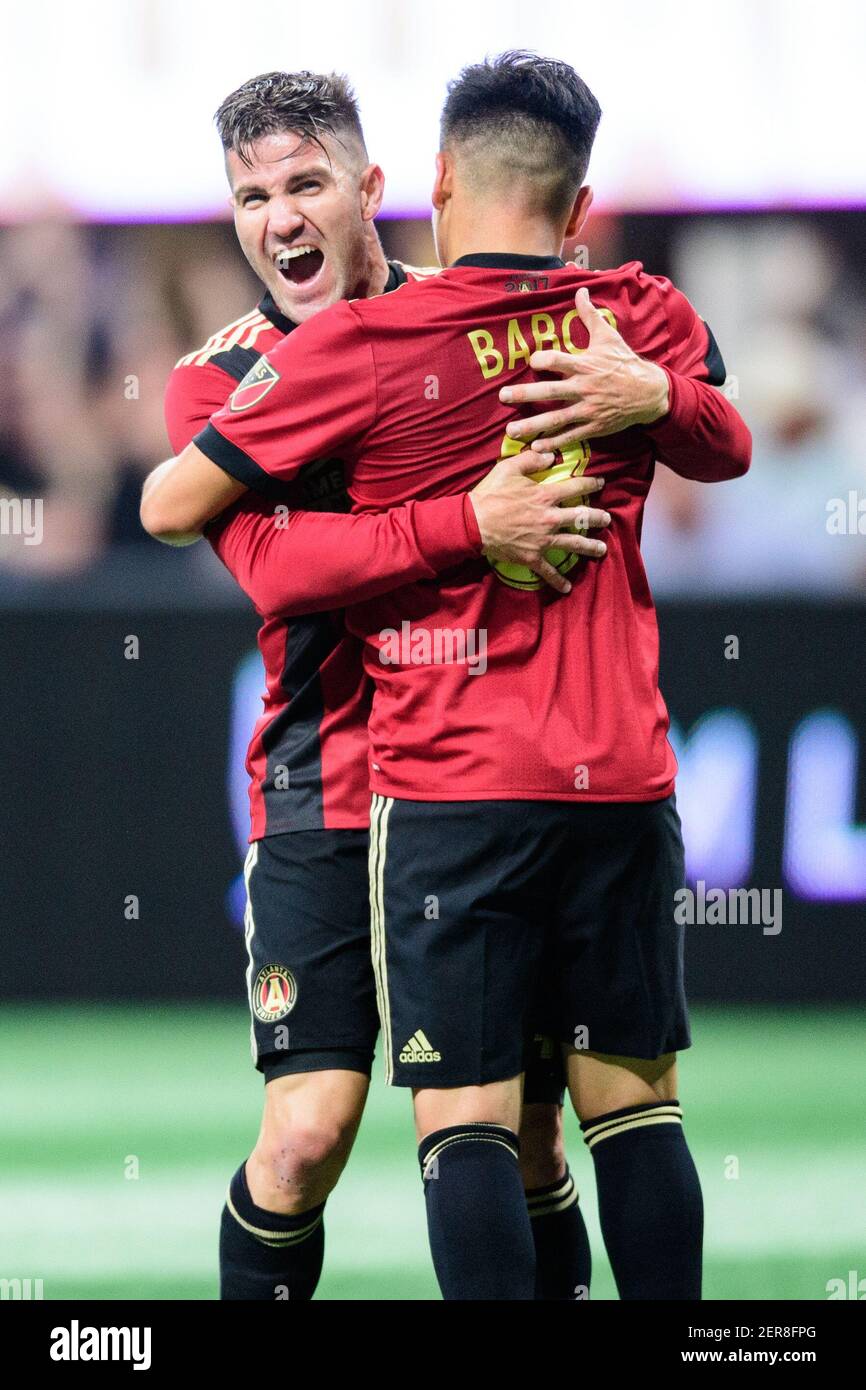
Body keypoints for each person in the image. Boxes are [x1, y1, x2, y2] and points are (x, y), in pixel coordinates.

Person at [144, 51, 751, 1300]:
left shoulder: (458, 318)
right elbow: (261, 563)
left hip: (467, 781)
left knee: (523, 1133)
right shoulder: (222, 379)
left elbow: (707, 426)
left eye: (305, 186)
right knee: (308, 1131)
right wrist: (465, 526)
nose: (280, 222)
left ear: (381, 188)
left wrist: (653, 397)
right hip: (330, 781)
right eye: (251, 200)